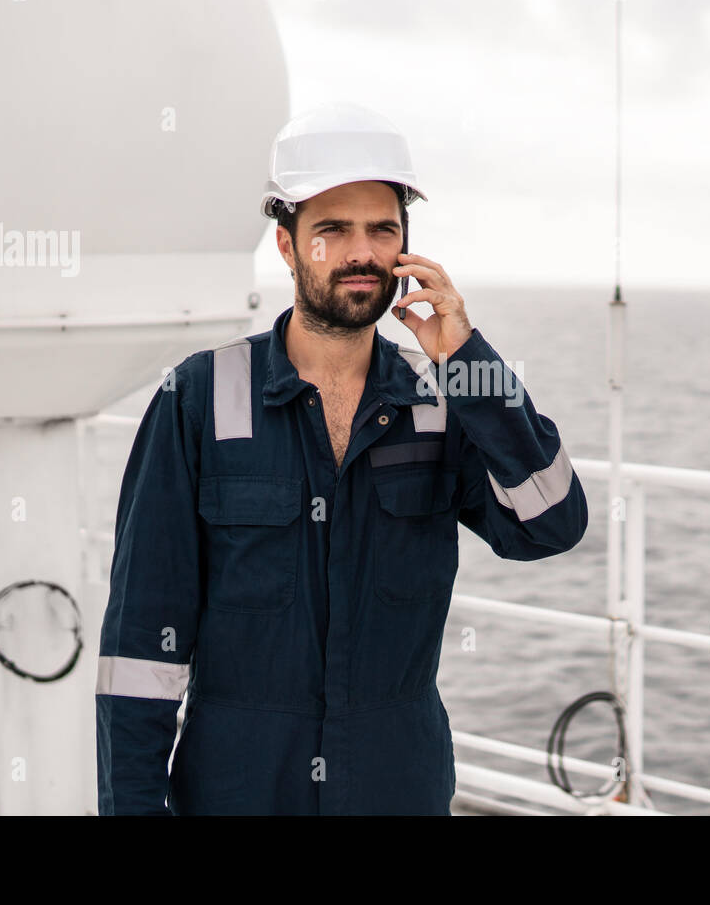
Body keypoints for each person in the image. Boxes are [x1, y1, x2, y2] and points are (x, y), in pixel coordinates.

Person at [95, 102, 588, 814]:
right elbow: (142, 645)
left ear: (405, 247)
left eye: (382, 229)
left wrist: (470, 364)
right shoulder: (198, 399)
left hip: (396, 786)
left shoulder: (442, 396)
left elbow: (550, 524)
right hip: (238, 790)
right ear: (288, 246)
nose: (362, 252)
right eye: (333, 230)